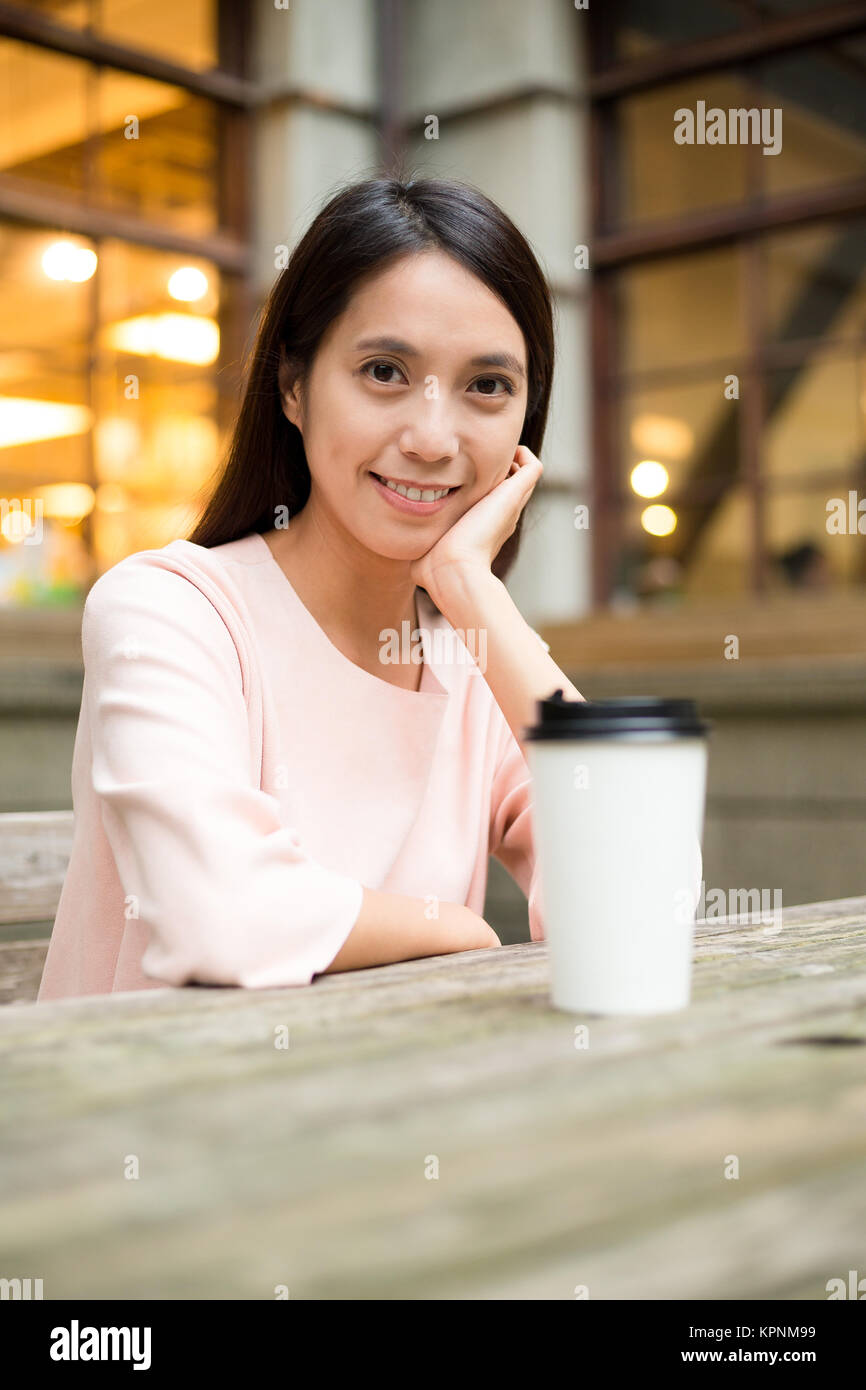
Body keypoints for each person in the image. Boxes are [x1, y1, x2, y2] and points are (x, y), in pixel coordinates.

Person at [37, 174, 587, 1001]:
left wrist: (473, 593)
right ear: (293, 386)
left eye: (487, 385)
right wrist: (456, 928)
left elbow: (641, 898)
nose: (434, 438)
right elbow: (221, 916)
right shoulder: (172, 610)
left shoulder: (473, 660)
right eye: (384, 371)